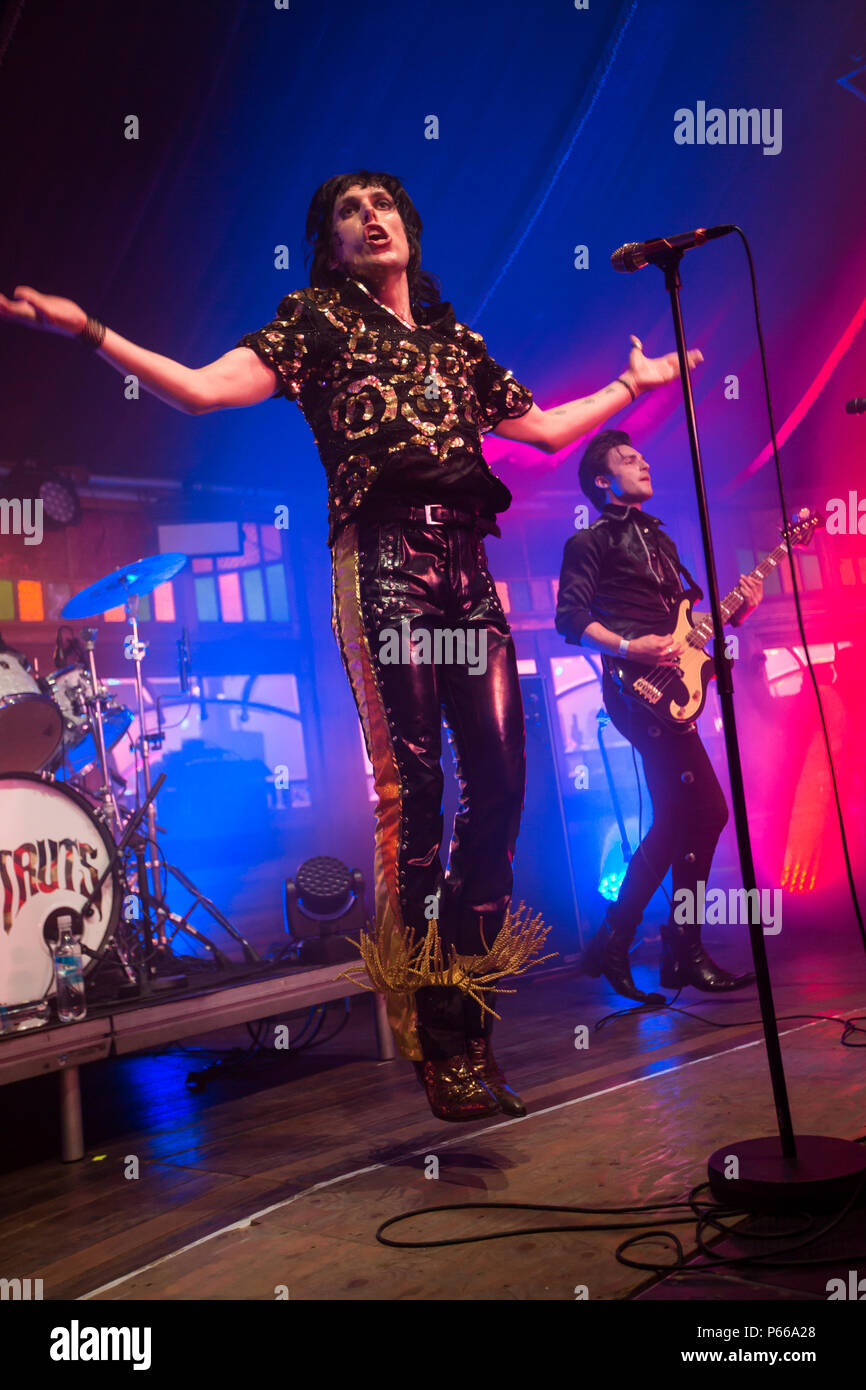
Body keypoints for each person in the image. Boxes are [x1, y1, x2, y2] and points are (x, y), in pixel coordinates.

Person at [1, 169, 701, 1120]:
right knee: (413, 790)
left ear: (408, 225)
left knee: (498, 787)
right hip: (382, 564)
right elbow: (204, 393)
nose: (370, 218)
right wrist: (91, 332)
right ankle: (433, 1034)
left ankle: (470, 1008)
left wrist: (630, 384)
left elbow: (539, 431)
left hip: (465, 565)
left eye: (383, 204)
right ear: (330, 244)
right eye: (348, 211)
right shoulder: (315, 323)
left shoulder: (456, 342)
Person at [555, 431, 762, 1004]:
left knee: (683, 818)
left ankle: (627, 941)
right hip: (634, 690)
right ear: (602, 479)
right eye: (628, 459)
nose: (643, 461)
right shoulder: (589, 541)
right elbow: (569, 620)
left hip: (673, 687)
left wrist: (737, 616)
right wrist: (628, 646)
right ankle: (672, 945)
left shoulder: (660, 539)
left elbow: (687, 632)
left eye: (643, 456)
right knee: (705, 811)